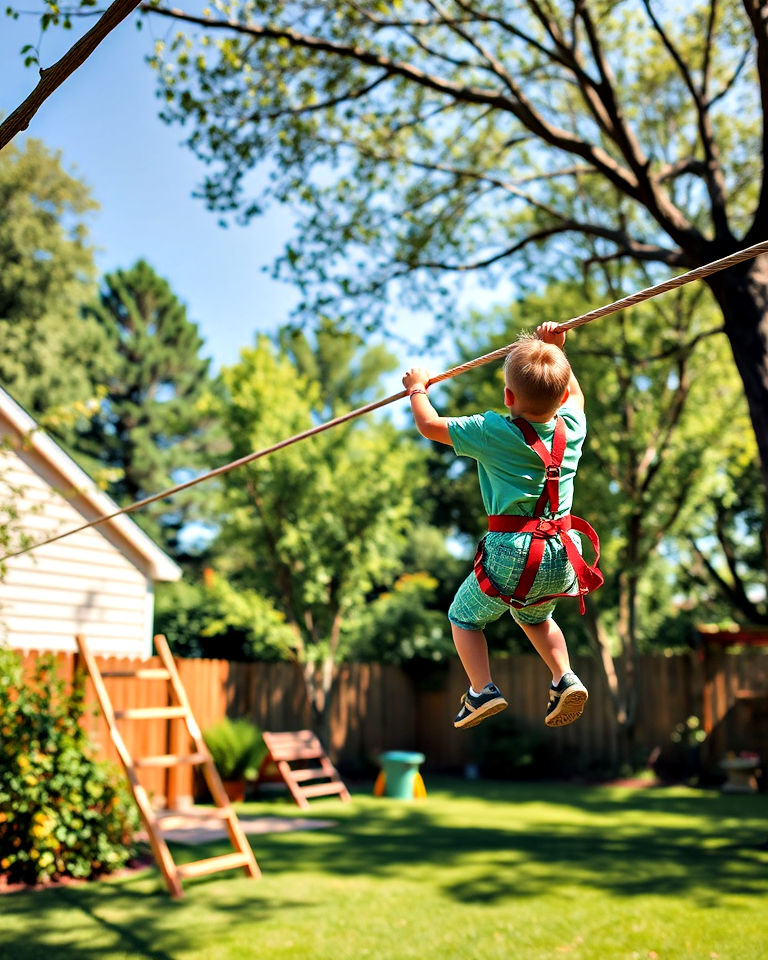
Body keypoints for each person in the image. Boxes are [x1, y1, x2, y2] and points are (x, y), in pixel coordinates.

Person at [402, 321, 602, 731]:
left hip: (513, 550)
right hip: (563, 552)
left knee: (464, 618)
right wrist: (556, 350)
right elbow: (576, 395)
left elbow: (428, 425)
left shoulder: (493, 431)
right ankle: (564, 677)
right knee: (535, 617)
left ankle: (482, 690)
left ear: (508, 395)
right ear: (561, 396)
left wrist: (417, 388)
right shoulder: (573, 427)